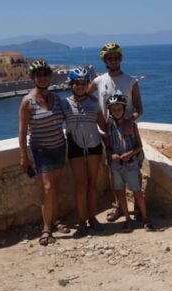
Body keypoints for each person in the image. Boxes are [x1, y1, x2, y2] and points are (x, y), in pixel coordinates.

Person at [88, 42, 144, 223]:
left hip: (128, 133)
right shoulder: (98, 81)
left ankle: (137, 206)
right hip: (108, 133)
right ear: (105, 60)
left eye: (116, 57)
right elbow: (85, 98)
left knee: (135, 168)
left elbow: (139, 109)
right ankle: (119, 207)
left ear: (121, 58)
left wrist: (129, 121)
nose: (113, 60)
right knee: (113, 171)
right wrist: (98, 118)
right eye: (109, 57)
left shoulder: (131, 81)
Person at [18, 60, 69, 246]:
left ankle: (55, 220)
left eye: (45, 74)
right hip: (41, 151)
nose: (42, 78)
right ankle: (46, 228)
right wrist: (24, 156)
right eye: (38, 75)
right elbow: (22, 132)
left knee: (55, 186)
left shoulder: (56, 99)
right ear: (33, 78)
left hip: (59, 147)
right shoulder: (27, 102)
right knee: (47, 188)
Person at [61, 67, 108, 238]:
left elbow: (103, 125)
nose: (80, 86)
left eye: (83, 83)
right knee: (80, 185)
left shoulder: (95, 103)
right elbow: (54, 119)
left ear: (87, 84)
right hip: (75, 146)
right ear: (71, 84)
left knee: (93, 184)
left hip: (94, 145)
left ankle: (92, 218)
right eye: (76, 83)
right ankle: (81, 221)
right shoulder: (65, 103)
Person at [104, 94, 151, 231]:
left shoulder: (131, 125)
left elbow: (139, 146)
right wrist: (112, 155)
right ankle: (127, 218)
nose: (116, 111)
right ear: (110, 111)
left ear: (124, 109)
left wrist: (129, 154)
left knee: (137, 192)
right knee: (120, 193)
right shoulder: (109, 127)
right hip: (116, 165)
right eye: (114, 109)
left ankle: (145, 218)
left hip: (131, 164)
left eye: (119, 108)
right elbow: (108, 147)